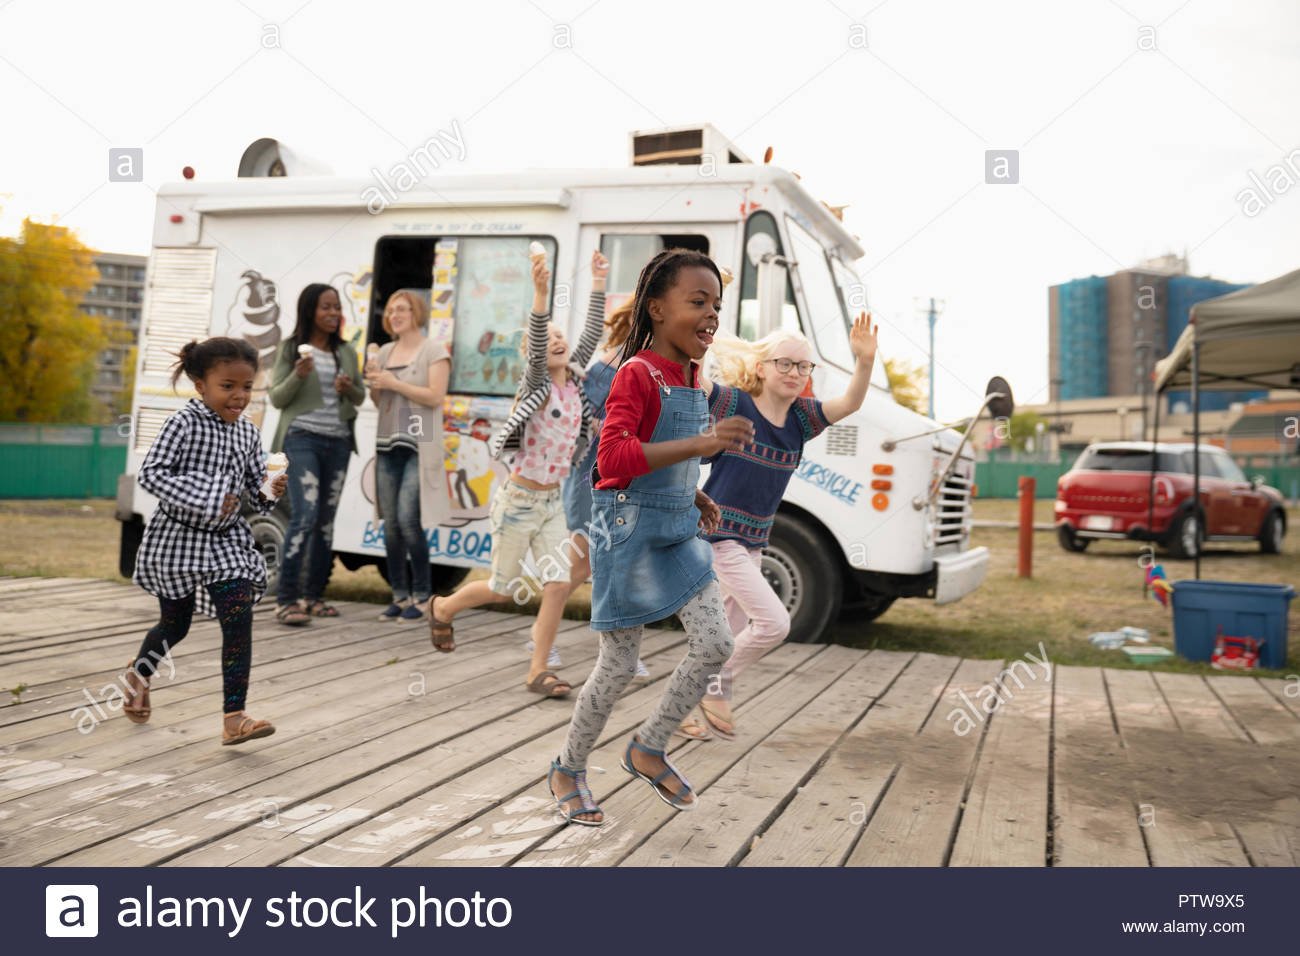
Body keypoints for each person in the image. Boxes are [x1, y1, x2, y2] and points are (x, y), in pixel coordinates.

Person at [546, 249, 755, 826]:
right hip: (629, 528)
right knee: (618, 664)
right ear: (657, 310)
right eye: (698, 302)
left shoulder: (689, 374)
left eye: (717, 304)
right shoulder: (636, 373)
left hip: (677, 526)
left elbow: (667, 457)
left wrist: (694, 491)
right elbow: (611, 459)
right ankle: (568, 767)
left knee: (716, 643)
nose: (712, 314)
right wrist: (700, 447)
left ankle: (648, 746)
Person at [681, 315, 877, 741]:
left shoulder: (802, 420)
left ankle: (681, 711)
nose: (794, 373)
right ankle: (719, 686)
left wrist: (864, 362)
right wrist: (698, 329)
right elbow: (693, 378)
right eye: (784, 363)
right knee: (774, 624)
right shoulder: (734, 404)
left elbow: (850, 403)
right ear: (761, 368)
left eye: (803, 367)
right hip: (719, 537)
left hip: (753, 543)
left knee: (723, 636)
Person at [429, 248, 607, 695]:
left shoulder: (576, 381)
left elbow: (590, 331)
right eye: (547, 340)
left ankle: (538, 669)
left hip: (551, 502)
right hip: (518, 502)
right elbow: (538, 333)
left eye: (561, 337)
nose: (559, 341)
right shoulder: (538, 384)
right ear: (532, 354)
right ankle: (445, 608)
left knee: (557, 583)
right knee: (503, 589)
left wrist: (599, 282)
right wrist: (542, 292)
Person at [123, 337, 285, 745]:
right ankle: (139, 673)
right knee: (175, 624)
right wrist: (208, 495)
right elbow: (152, 474)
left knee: (238, 619)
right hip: (178, 538)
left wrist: (270, 489)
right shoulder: (184, 423)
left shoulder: (247, 433)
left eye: (247, 387)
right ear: (201, 385)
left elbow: (255, 493)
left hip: (226, 542)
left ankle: (235, 719)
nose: (239, 396)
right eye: (227, 385)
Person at [558, 297, 649, 681]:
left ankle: (619, 651)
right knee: (585, 564)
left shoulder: (640, 363)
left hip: (621, 481)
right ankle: (543, 635)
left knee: (614, 565)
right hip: (593, 481)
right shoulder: (608, 365)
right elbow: (595, 428)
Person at [267, 284, 366, 625]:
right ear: (310, 310)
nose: (334, 313)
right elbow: (277, 398)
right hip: (301, 439)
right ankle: (286, 599)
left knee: (325, 521)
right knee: (305, 515)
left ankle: (313, 597)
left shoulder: (348, 352)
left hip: (337, 443)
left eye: (337, 307)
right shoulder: (290, 349)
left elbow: (359, 397)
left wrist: (347, 388)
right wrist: (298, 374)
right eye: (326, 307)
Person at [366, 290, 452, 621]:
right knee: (390, 527)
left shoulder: (434, 350)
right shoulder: (385, 350)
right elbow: (378, 401)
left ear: (416, 312)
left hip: (420, 440)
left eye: (401, 309)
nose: (395, 314)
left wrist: (393, 382)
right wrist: (375, 382)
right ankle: (399, 596)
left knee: (408, 520)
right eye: (390, 310)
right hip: (388, 441)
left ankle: (423, 595)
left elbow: (434, 397)